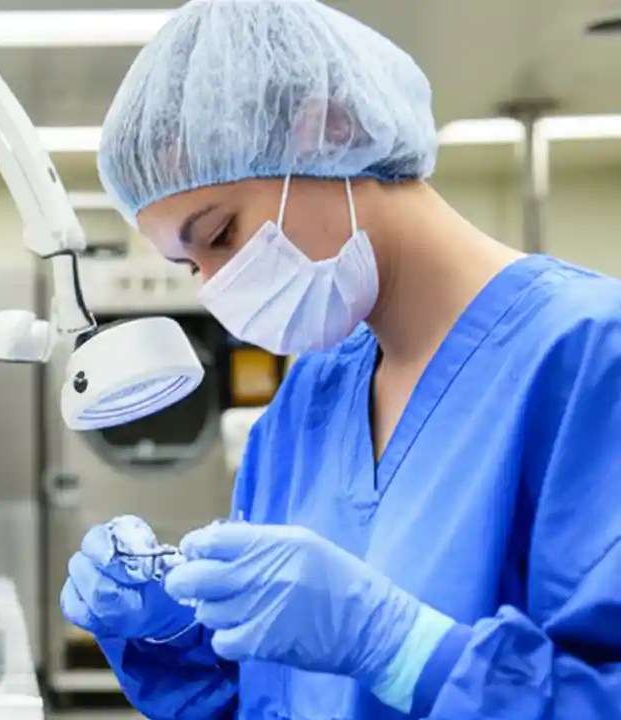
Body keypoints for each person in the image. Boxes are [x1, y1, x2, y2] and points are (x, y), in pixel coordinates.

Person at [59, 1, 621, 718]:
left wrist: (402, 648)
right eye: (188, 264)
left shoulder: (590, 359)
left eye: (221, 234)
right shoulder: (307, 405)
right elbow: (277, 696)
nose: (217, 283)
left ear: (330, 129)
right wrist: (174, 633)